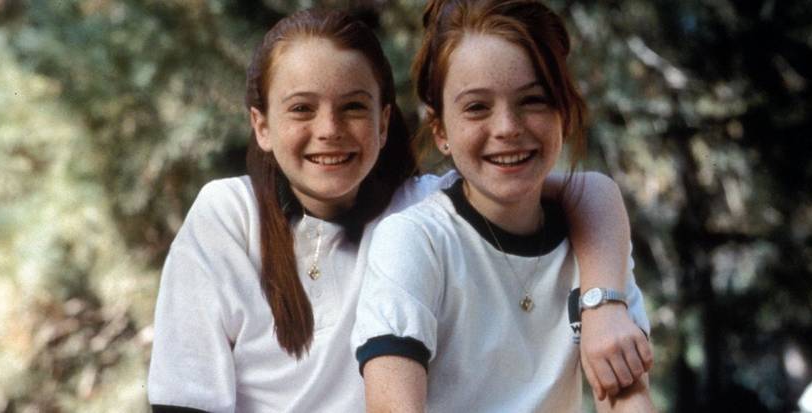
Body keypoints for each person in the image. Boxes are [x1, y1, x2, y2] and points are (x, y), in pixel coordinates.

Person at [147, 7, 650, 413]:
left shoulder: (419, 207)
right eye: (302, 108)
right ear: (261, 126)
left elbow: (587, 192)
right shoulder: (229, 214)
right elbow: (186, 398)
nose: (329, 130)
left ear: (384, 122)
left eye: (353, 107)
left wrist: (603, 305)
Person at [354, 0, 656, 412]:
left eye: (533, 100)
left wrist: (604, 309)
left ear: (564, 112)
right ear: (440, 130)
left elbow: (628, 400)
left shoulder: (596, 242)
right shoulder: (416, 240)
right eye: (477, 107)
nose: (508, 128)